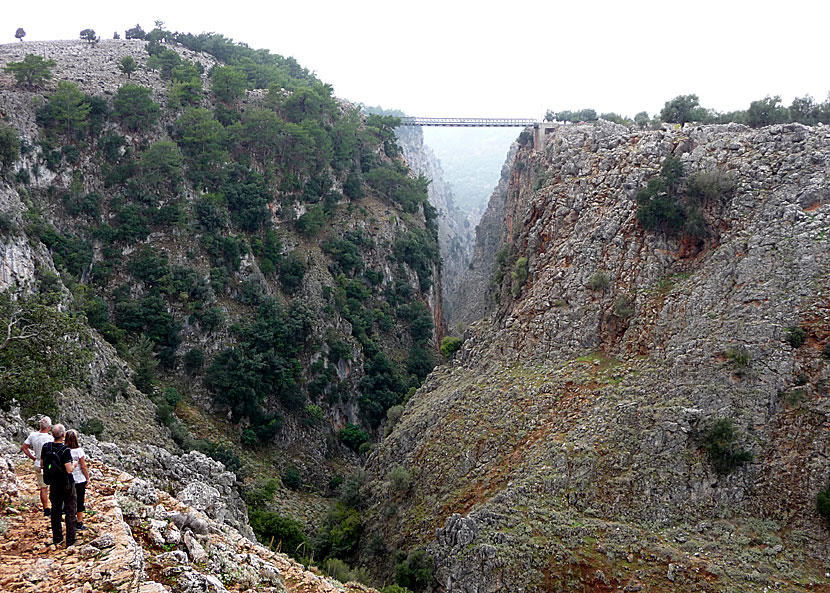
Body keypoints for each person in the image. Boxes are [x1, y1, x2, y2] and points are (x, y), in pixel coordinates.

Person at [41, 424, 77, 547]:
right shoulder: (65, 450)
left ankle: (57, 537)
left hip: (53, 483)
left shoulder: (46, 447)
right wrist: (74, 464)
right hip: (66, 483)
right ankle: (70, 540)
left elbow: (42, 464)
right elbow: (69, 470)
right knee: (70, 510)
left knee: (55, 510)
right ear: (63, 435)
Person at [21, 416, 54, 516]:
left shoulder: (33, 435)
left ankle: (46, 509)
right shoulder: (50, 438)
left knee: (43, 487)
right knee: (53, 486)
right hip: (49, 465)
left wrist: (33, 457)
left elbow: (24, 447)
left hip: (38, 463)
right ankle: (55, 506)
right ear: (49, 427)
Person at [64, 430, 89, 531]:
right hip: (79, 479)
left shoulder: (64, 450)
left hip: (68, 479)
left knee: (69, 500)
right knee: (80, 500)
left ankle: (70, 521)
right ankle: (79, 522)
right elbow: (83, 466)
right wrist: (87, 477)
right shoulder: (79, 451)